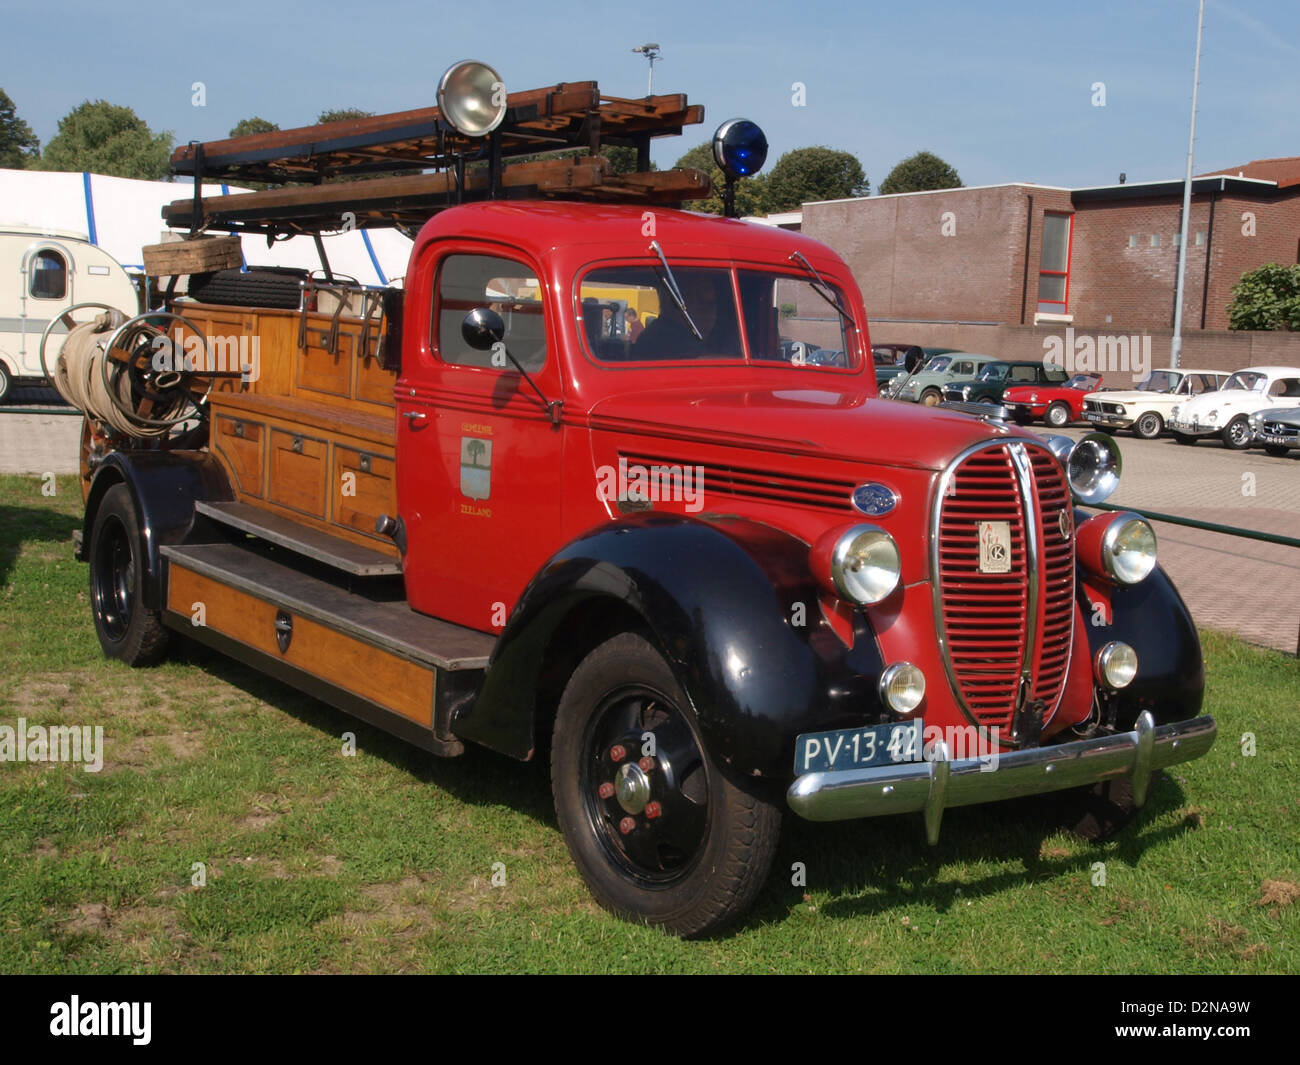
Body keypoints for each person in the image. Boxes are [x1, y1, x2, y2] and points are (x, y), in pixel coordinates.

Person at [633, 272, 733, 358]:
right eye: (700, 303)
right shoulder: (666, 339)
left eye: (711, 305)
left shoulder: (698, 338)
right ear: (674, 306)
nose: (709, 314)